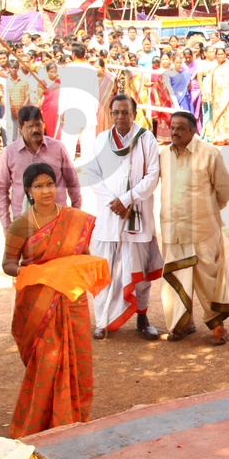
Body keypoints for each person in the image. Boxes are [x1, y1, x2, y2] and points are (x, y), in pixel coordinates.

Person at [2, 162, 101, 434]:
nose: (46, 191)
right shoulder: (21, 225)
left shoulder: (74, 219)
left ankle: (74, 418)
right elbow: (8, 263)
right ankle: (37, 425)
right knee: (46, 364)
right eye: (39, 186)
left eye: (49, 184)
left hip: (72, 302)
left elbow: (84, 255)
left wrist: (78, 272)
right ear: (28, 191)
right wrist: (38, 273)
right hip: (38, 303)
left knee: (77, 363)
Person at [88, 95, 164, 340]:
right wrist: (114, 202)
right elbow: (93, 174)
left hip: (137, 215)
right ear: (110, 114)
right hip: (110, 216)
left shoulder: (145, 139)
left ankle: (142, 318)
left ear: (134, 113)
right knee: (105, 270)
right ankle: (103, 321)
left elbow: (152, 175)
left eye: (125, 112)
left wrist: (128, 199)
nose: (120, 117)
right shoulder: (101, 140)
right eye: (116, 112)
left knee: (139, 271)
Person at [157, 111, 229, 345]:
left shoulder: (209, 154)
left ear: (193, 131)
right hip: (173, 229)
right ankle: (182, 323)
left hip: (203, 229)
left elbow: (225, 189)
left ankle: (217, 326)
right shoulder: (164, 155)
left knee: (208, 277)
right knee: (176, 276)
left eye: (181, 128)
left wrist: (210, 210)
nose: (174, 132)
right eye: (172, 127)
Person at [0, 105, 81, 228]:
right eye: (30, 126)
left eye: (38, 125)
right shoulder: (9, 153)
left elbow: (73, 182)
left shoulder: (58, 148)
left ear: (43, 124)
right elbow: (1, 190)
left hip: (58, 222)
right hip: (25, 224)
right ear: (20, 128)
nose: (35, 130)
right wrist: (6, 225)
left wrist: (75, 213)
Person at [201, 44, 229, 145]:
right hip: (217, 98)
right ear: (216, 56)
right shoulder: (214, 67)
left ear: (225, 55)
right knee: (219, 117)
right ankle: (220, 138)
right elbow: (209, 83)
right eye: (219, 54)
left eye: (222, 54)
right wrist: (208, 95)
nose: (221, 56)